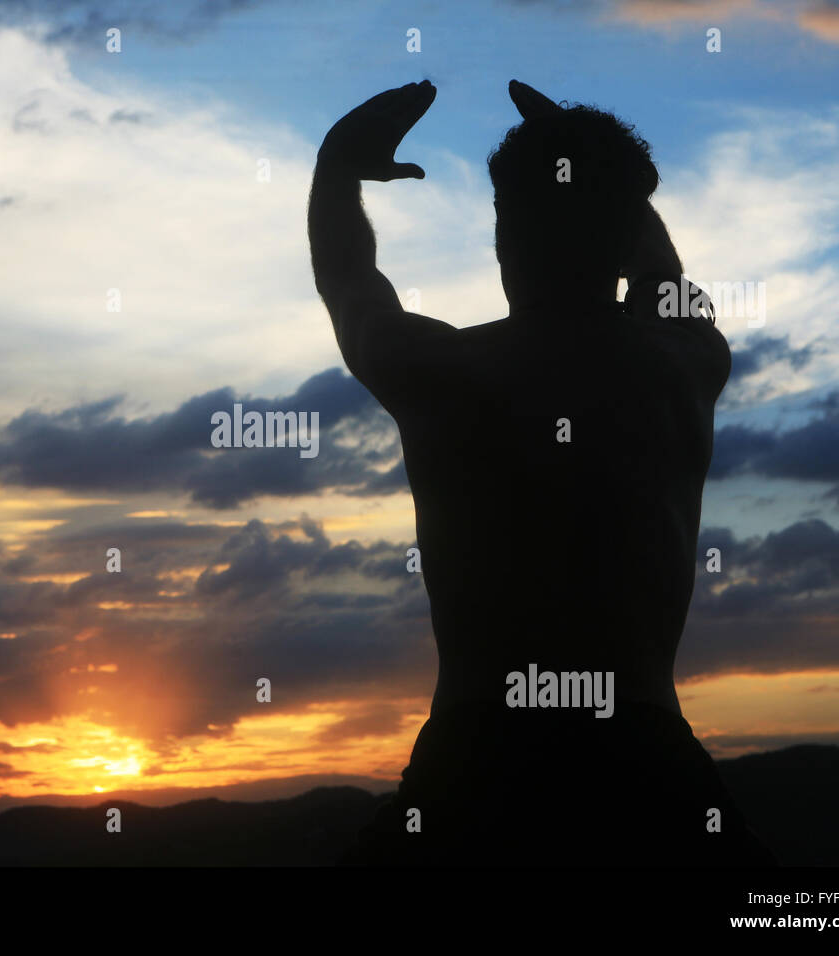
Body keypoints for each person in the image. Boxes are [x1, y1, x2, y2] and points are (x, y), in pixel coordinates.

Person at [308, 80, 774, 865]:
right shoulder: (686, 366)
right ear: (627, 239)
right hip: (646, 768)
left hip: (476, 771)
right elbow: (660, 275)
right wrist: (598, 170)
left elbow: (350, 287)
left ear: (500, 234)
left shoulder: (445, 372)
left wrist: (336, 170)